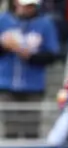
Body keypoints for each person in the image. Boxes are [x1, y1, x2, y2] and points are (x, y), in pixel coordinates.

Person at [0, 0, 60, 138]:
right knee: (11, 130)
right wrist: (4, 45)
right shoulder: (3, 20)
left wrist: (30, 55)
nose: (27, 8)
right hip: (7, 84)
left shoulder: (45, 23)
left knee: (32, 131)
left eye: (30, 5)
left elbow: (52, 55)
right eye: (25, 4)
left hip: (33, 85)